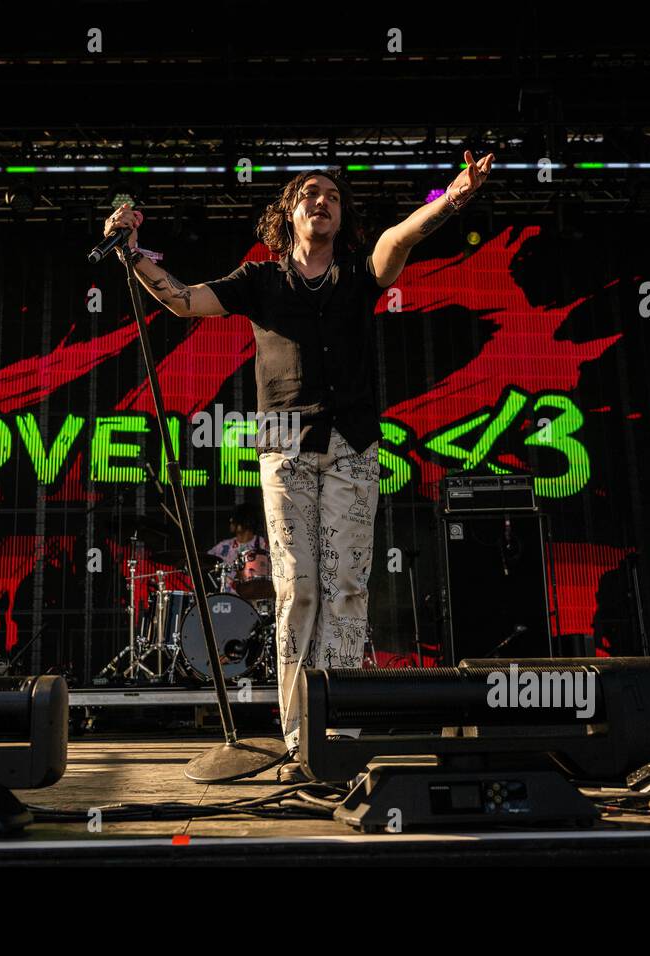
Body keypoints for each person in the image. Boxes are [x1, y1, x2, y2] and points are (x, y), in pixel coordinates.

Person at [103, 152, 494, 779]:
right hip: (286, 446)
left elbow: (398, 238)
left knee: (347, 589)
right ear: (288, 211)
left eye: (333, 196)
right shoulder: (261, 280)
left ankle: (340, 728)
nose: (322, 201)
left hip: (353, 445)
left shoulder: (358, 274)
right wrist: (132, 253)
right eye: (310, 193)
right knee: (300, 589)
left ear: (341, 216)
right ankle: (298, 737)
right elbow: (183, 301)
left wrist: (450, 198)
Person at [206, 506, 269, 596]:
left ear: (246, 522)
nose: (230, 521)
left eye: (234, 520)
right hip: (226, 598)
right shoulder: (224, 545)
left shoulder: (262, 544)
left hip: (255, 596)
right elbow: (206, 559)